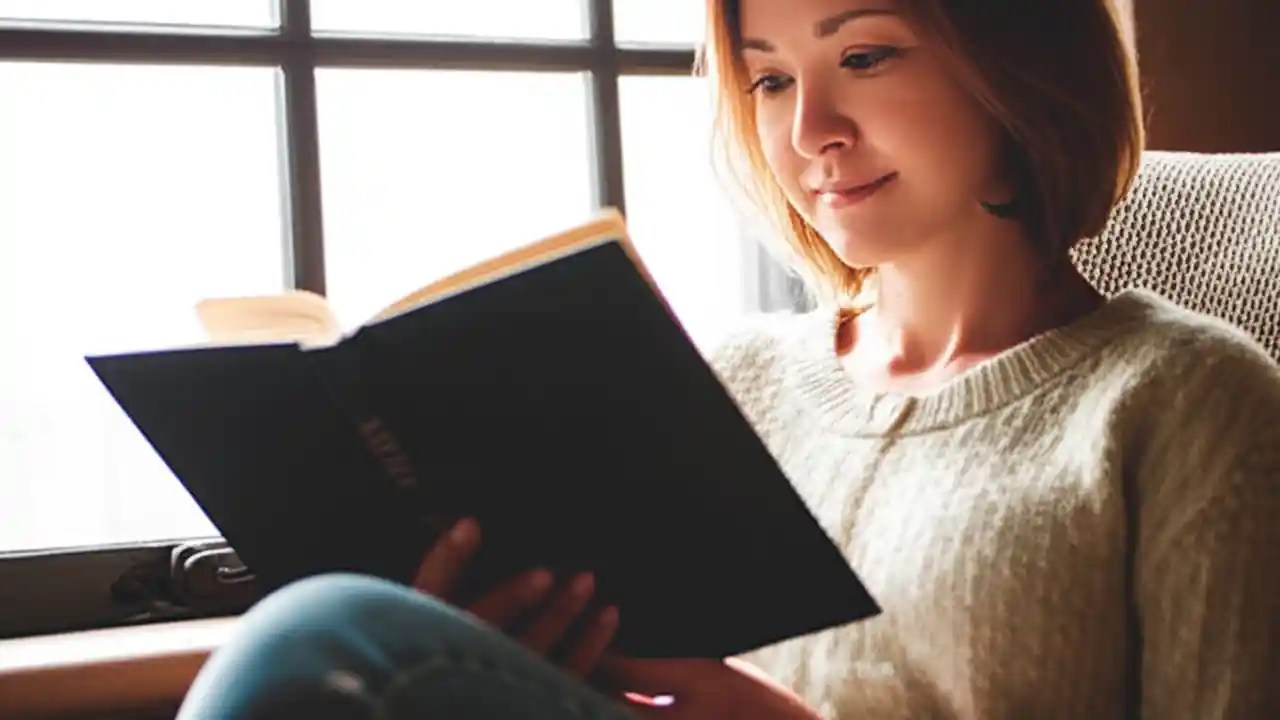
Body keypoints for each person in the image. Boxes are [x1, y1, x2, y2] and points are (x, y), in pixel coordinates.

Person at [177, 0, 1280, 718]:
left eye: (862, 56)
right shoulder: (733, 376)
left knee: (319, 637)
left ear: (1018, 64)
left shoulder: (1185, 400)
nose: (809, 132)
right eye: (768, 81)